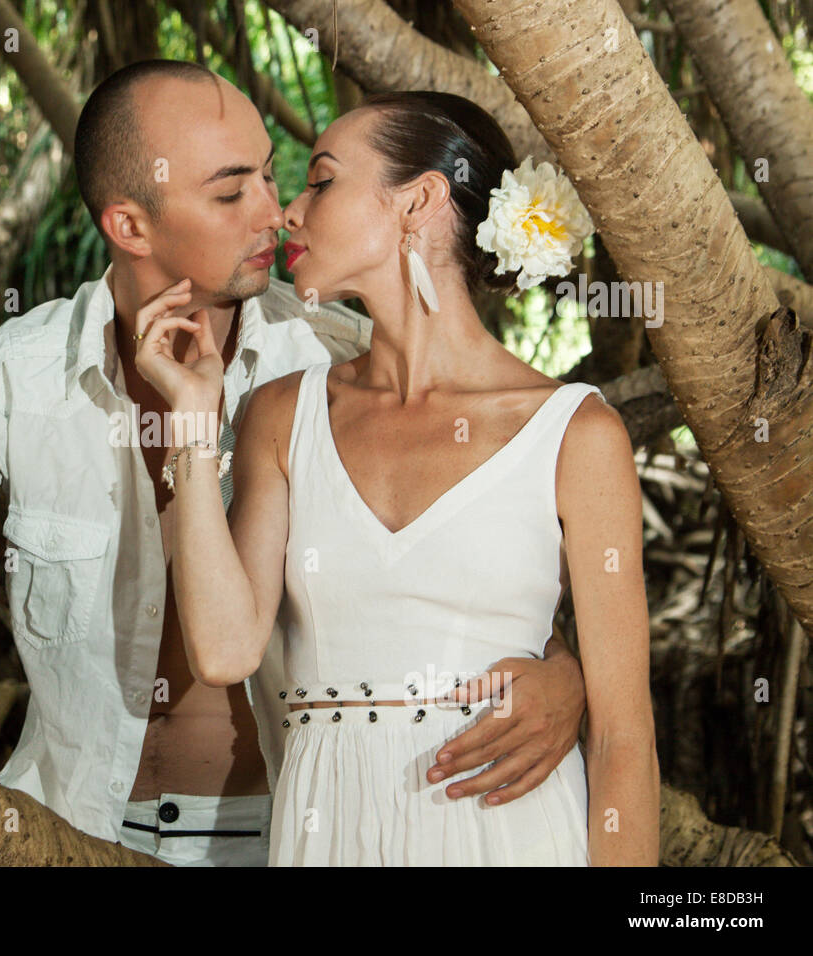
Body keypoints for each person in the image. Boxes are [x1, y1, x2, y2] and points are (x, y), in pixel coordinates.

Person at [0, 63, 589, 866]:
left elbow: (461, 562)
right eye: (231, 192)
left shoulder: (334, 359)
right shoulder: (21, 371)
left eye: (273, 177)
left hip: (297, 832)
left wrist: (563, 674)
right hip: (72, 830)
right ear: (130, 226)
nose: (277, 213)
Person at [135, 90, 659, 865]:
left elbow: (622, 741)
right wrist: (191, 420)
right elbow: (224, 649)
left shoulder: (574, 434)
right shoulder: (282, 417)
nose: (288, 213)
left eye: (321, 181)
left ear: (418, 199)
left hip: (512, 832)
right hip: (328, 832)